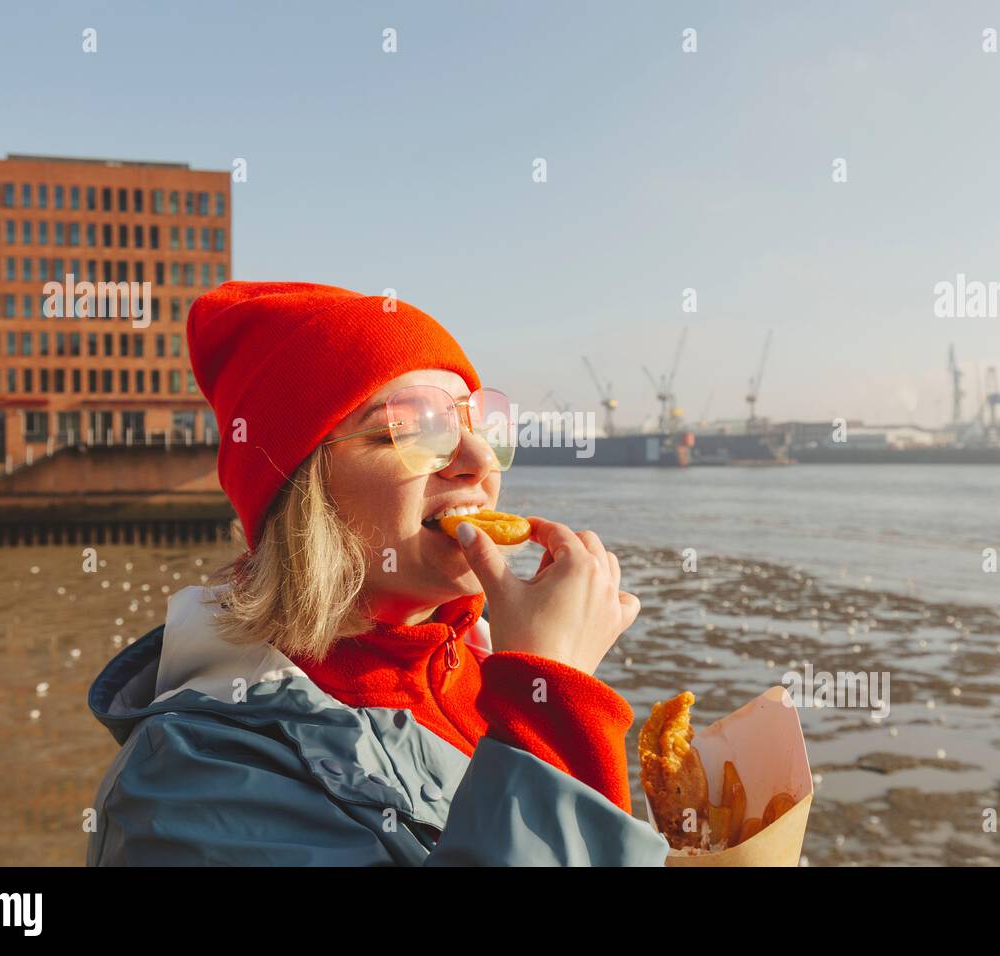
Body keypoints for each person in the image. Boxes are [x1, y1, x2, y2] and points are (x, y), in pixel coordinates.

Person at [86, 281, 669, 865]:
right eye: (418, 429)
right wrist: (552, 706)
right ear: (305, 486)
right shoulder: (188, 778)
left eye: (479, 423)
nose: (480, 461)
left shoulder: (492, 668)